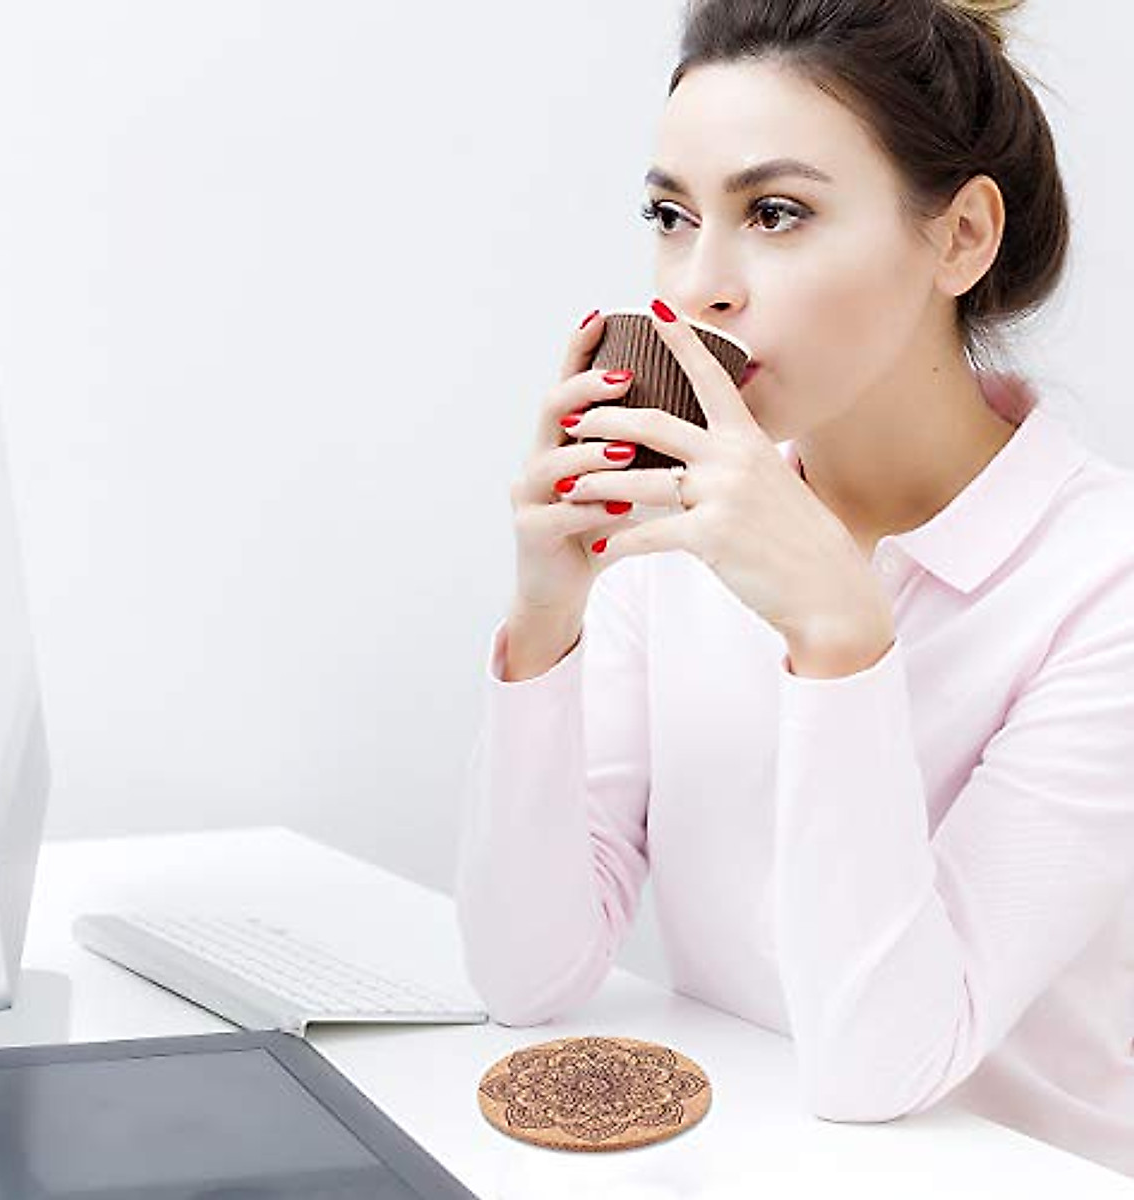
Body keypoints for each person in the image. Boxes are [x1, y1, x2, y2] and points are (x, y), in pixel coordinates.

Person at [454, 0, 1134, 1178]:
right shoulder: (685, 528)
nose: (699, 287)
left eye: (775, 213)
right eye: (672, 217)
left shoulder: (1102, 581)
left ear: (962, 237)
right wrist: (548, 622)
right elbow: (527, 975)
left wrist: (840, 641)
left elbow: (882, 1067)